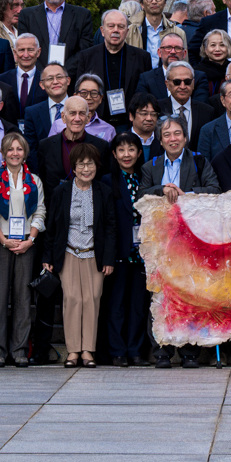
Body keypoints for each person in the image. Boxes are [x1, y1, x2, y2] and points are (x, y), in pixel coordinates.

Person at [41, 143, 126, 368]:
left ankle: (88, 350)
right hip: (68, 253)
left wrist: (108, 259)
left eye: (90, 164)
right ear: (74, 167)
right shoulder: (61, 192)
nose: (86, 169)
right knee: (72, 299)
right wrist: (48, 257)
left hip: (93, 255)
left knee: (92, 300)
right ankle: (73, 351)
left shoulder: (103, 192)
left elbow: (110, 227)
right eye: (81, 164)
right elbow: (52, 227)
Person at [0, 131, 46, 366]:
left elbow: (40, 211)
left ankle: (20, 349)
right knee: (0, 296)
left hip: (26, 242)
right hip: (1, 242)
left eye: (19, 149)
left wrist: (30, 240)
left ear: (25, 153)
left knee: (23, 297)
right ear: (3, 152)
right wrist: (3, 239)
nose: (14, 153)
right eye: (10, 149)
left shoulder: (35, 180)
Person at [104, 133, 152, 366]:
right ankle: (117, 351)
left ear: (139, 153)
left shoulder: (146, 178)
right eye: (121, 150)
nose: (126, 155)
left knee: (138, 305)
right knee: (116, 304)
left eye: (131, 149)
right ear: (114, 154)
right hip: (118, 252)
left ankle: (135, 350)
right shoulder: (106, 181)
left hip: (142, 252)